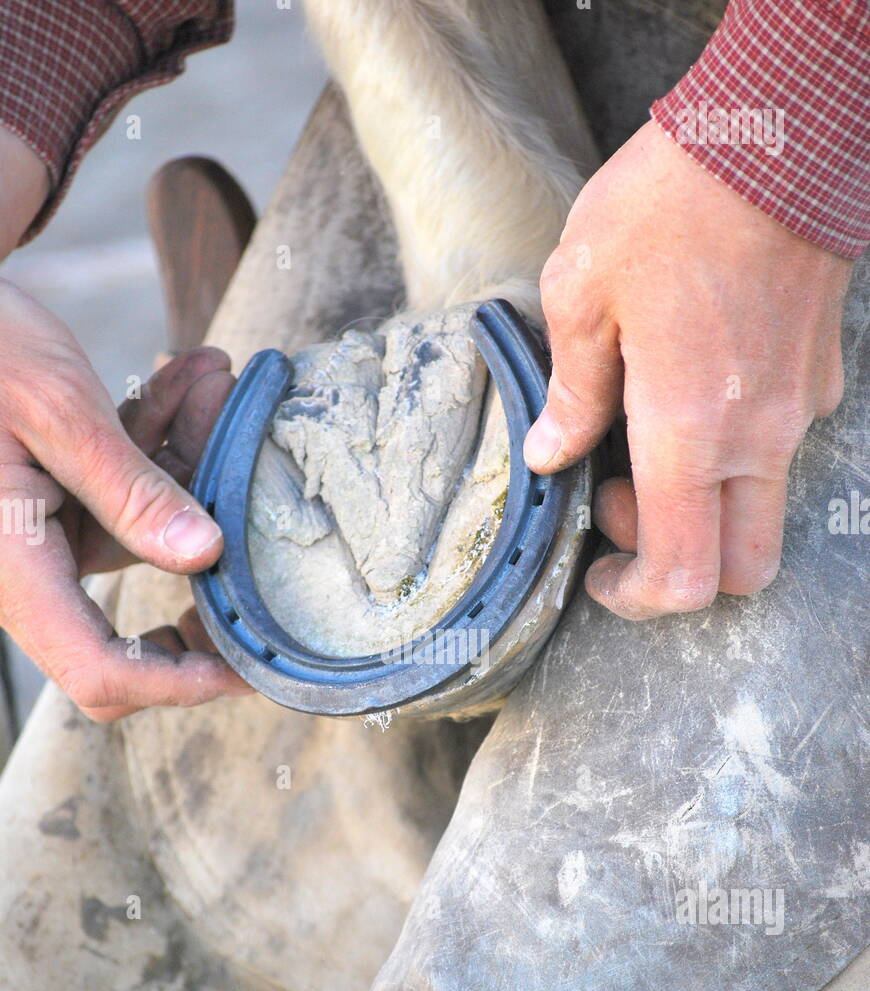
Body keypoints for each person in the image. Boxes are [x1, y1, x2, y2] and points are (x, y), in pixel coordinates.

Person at [0, 0, 865, 716]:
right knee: (142, 780)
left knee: (627, 811)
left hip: (804, 63)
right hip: (451, 56)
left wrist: (779, 150)